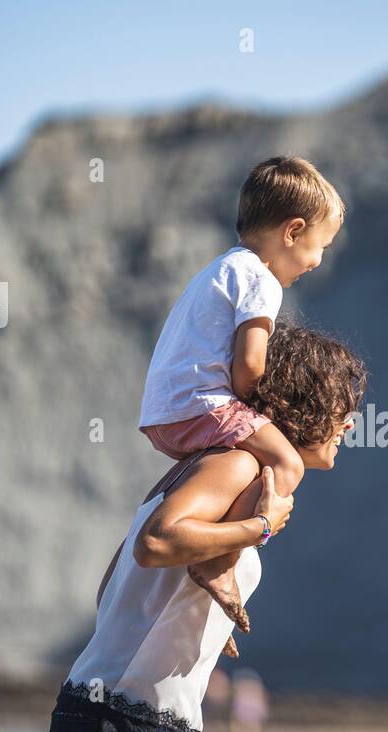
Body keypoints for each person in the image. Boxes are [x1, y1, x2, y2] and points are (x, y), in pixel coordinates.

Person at [48, 323, 366, 732]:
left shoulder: (206, 467)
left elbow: (115, 587)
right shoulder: (236, 464)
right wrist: (260, 527)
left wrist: (194, 626)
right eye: (342, 404)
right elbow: (154, 543)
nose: (351, 421)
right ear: (305, 401)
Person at [138, 156, 345, 634]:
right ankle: (219, 561)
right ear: (293, 231)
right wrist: (260, 408)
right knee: (288, 464)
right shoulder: (261, 279)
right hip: (205, 403)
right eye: (321, 247)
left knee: (255, 461)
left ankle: (211, 559)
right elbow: (251, 362)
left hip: (167, 411)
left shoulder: (220, 268)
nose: (317, 262)